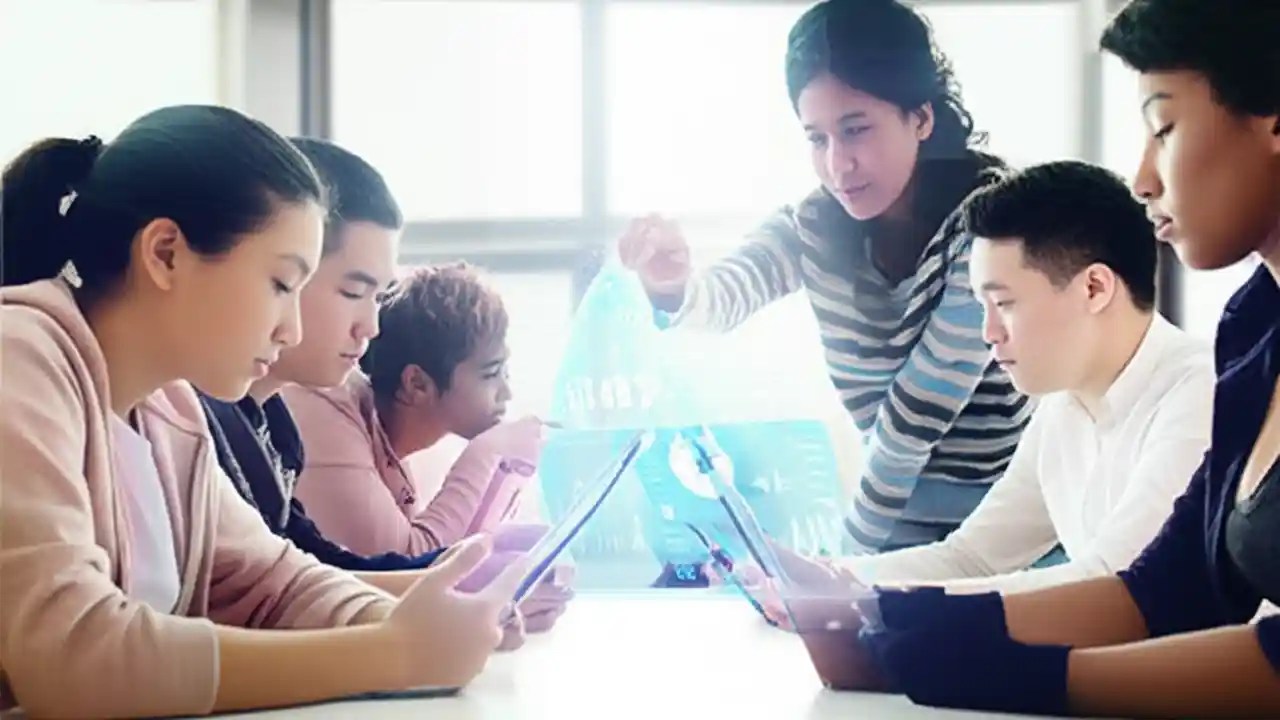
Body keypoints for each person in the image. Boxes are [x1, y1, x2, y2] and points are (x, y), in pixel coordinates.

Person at [796, 1, 1280, 716]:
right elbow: (1165, 588)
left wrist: (1025, 675)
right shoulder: (1251, 332)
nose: (1143, 179)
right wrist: (876, 611)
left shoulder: (1194, 383)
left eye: (1164, 128)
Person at [0, 106, 531, 719]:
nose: (292, 328)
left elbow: (274, 583)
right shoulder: (20, 356)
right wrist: (395, 652)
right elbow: (75, 656)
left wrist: (424, 625)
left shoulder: (170, 411)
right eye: (281, 284)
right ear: (166, 253)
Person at [618, 0, 1032, 554]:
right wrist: (672, 283)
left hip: (1010, 520)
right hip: (896, 520)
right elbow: (722, 296)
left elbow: (916, 417)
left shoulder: (994, 223)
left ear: (921, 118)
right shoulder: (817, 222)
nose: (838, 164)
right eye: (817, 138)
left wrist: (849, 559)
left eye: (856, 130)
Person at [197, 137, 569, 632]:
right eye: (354, 292)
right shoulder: (289, 408)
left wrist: (476, 583)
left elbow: (308, 576)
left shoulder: (273, 427)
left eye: (378, 297)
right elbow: (271, 602)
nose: (371, 327)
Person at [832, 160, 1214, 594]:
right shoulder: (1063, 406)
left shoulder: (1199, 393)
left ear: (1094, 288)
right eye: (983, 307)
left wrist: (880, 601)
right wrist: (833, 579)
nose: (989, 333)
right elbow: (972, 558)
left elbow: (1113, 582)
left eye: (1004, 304)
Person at [284, 263, 549, 558]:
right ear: (417, 384)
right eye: (490, 374)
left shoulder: (387, 445)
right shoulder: (328, 415)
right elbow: (409, 563)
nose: (506, 392)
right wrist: (485, 453)